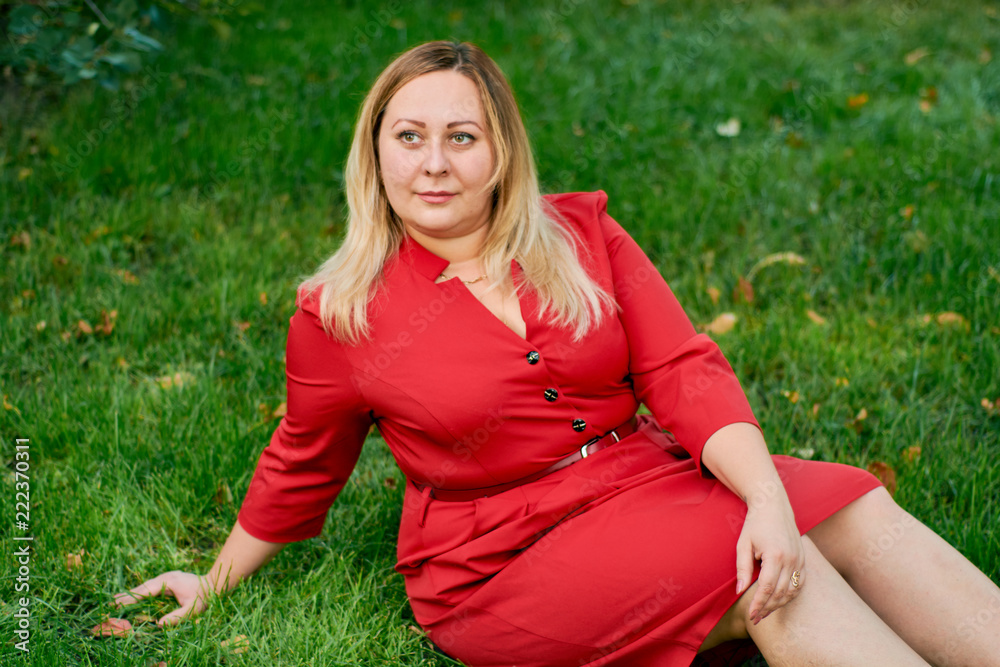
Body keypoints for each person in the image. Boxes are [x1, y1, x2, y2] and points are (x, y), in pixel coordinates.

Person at [115, 41, 1000, 667]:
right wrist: (216, 578)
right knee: (774, 574)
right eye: (408, 136)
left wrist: (767, 491)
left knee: (852, 508)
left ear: (501, 151)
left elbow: (681, 371)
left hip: (645, 481)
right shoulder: (340, 311)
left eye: (461, 136)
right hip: (500, 558)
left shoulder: (581, 233)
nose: (434, 164)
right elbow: (302, 462)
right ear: (373, 152)